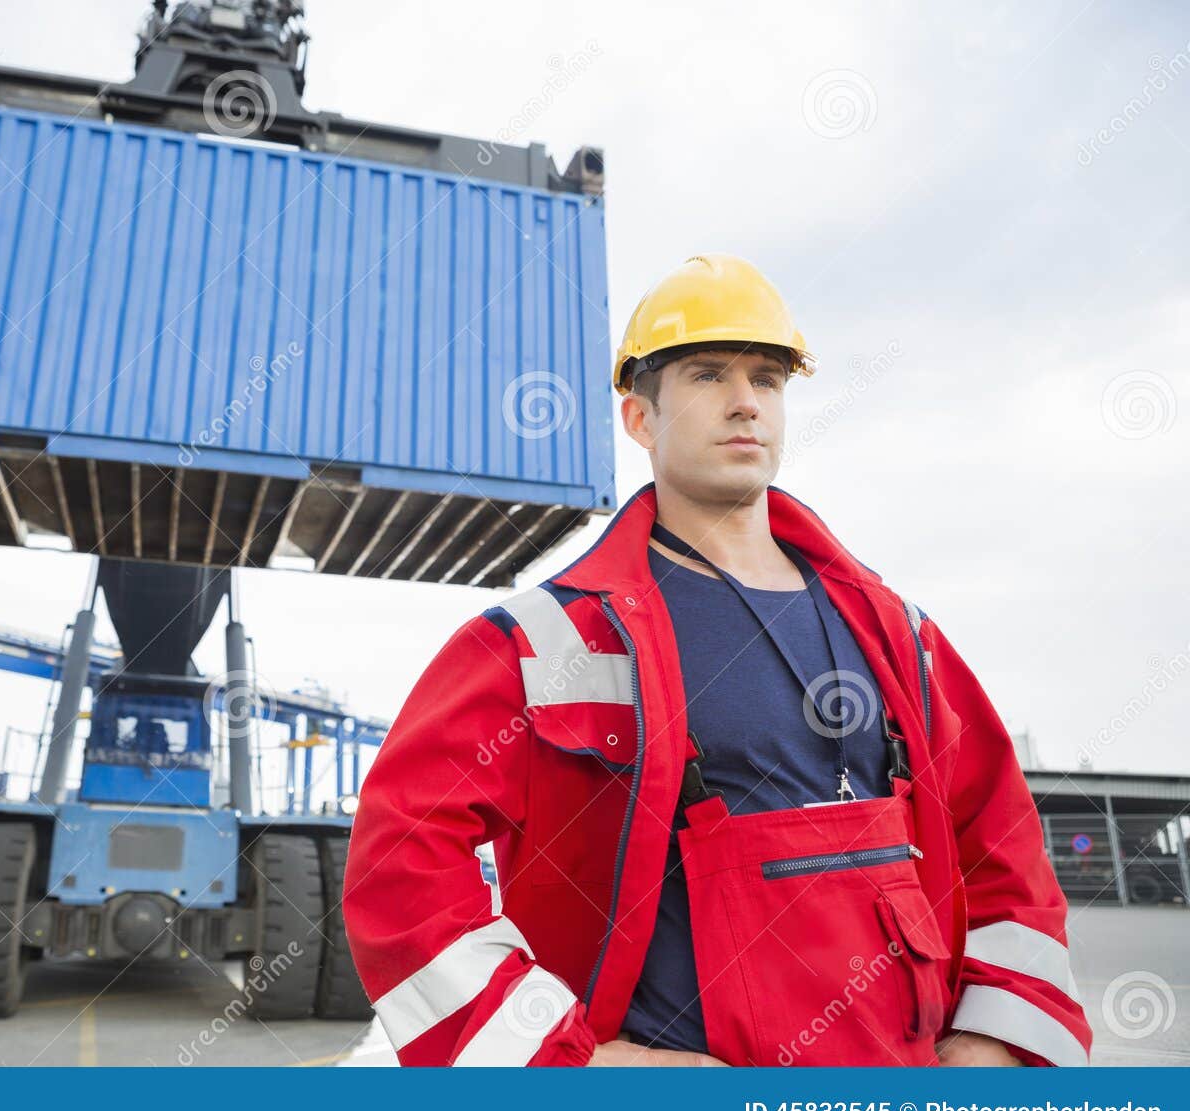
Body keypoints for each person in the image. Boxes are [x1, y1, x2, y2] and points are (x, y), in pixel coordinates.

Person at [341, 254, 1092, 1067]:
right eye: (707, 375)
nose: (745, 403)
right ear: (639, 419)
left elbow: (999, 837)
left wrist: (994, 1035)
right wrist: (566, 1062)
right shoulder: (546, 638)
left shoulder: (893, 631)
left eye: (767, 379)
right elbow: (398, 856)